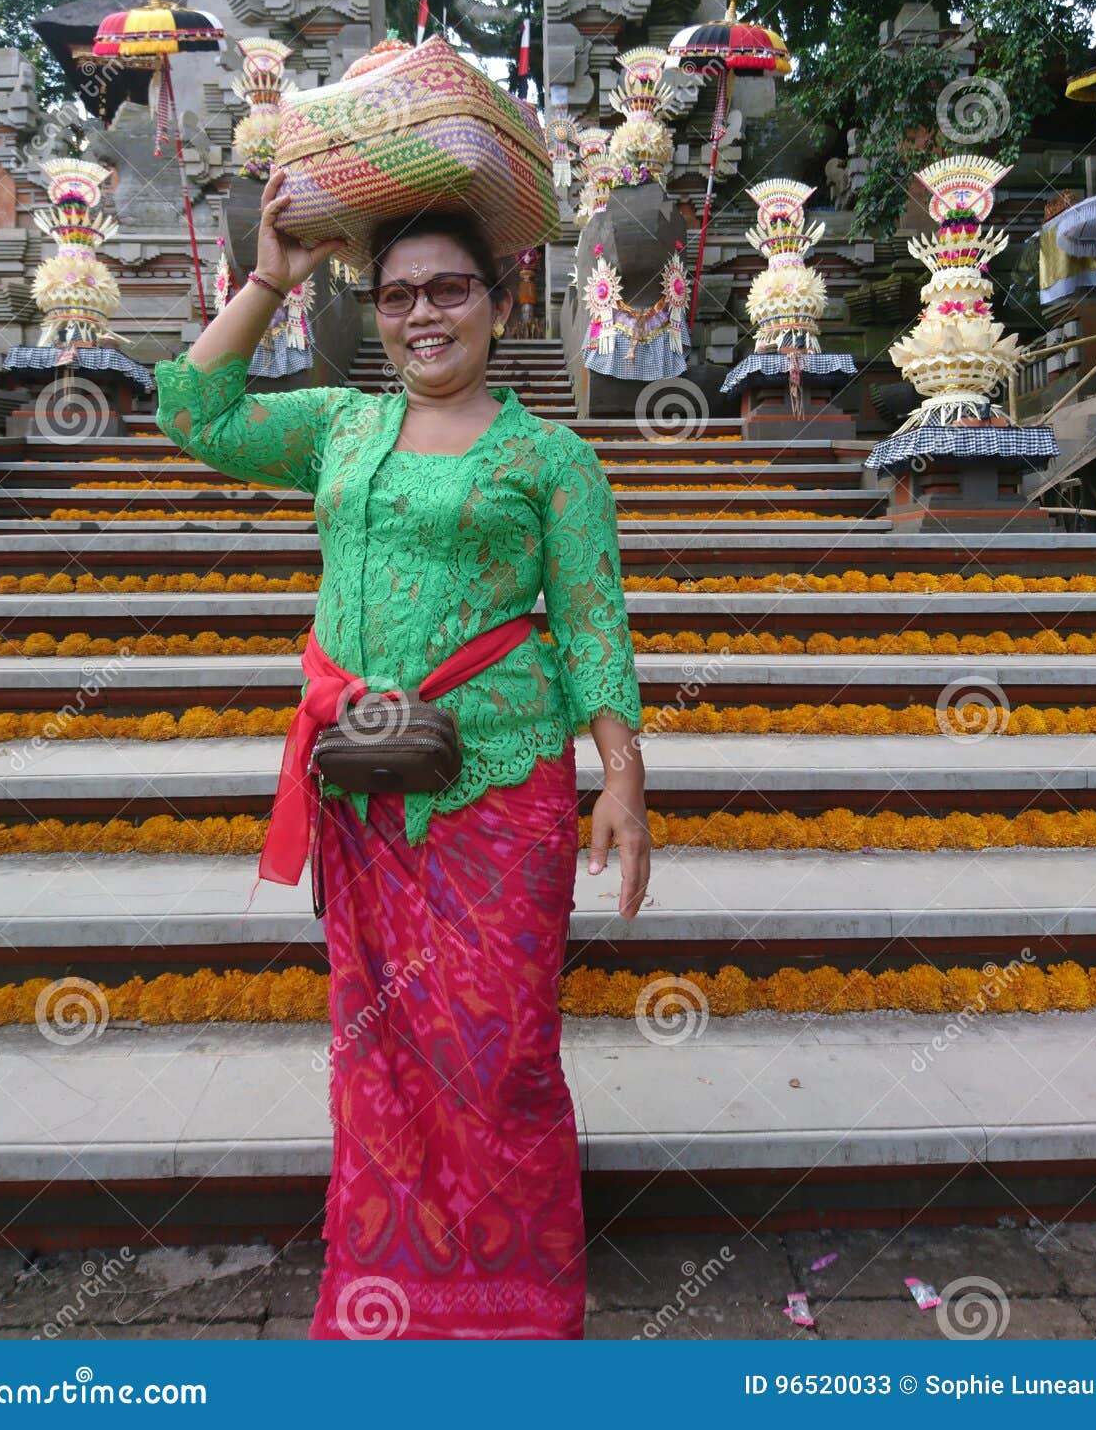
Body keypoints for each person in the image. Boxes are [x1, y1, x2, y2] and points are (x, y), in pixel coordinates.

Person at [153, 167, 650, 1341]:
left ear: (503, 297)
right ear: (373, 309)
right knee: (375, 1061)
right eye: (397, 296)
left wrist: (622, 780)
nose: (424, 315)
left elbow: (591, 623)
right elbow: (195, 412)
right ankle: (392, 1302)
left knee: (504, 1055)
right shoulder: (342, 423)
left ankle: (514, 1322)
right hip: (365, 797)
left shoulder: (554, 461)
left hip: (501, 791)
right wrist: (272, 278)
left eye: (449, 290)